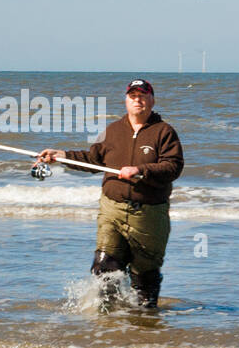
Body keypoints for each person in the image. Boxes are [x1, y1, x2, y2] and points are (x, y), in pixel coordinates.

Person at [37, 79, 184, 309]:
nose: (138, 100)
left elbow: (173, 167)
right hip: (111, 209)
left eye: (143, 95)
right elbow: (93, 160)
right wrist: (61, 155)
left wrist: (140, 171)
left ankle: (144, 324)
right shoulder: (113, 131)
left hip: (149, 214)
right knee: (104, 267)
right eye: (133, 96)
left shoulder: (164, 132)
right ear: (126, 100)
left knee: (144, 277)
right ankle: (109, 324)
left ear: (152, 100)